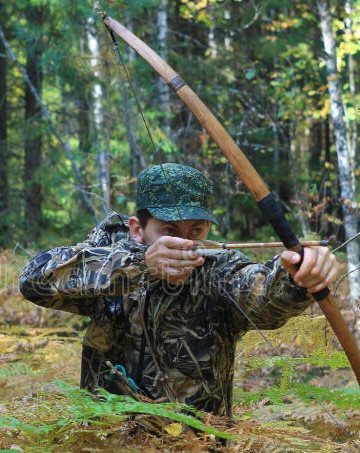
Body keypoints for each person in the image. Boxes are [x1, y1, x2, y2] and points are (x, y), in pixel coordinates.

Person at [19, 163, 338, 418]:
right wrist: (139, 265)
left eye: (195, 231)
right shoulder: (113, 262)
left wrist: (296, 277)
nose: (185, 244)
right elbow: (34, 279)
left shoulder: (218, 270)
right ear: (136, 230)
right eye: (169, 231)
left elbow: (260, 292)